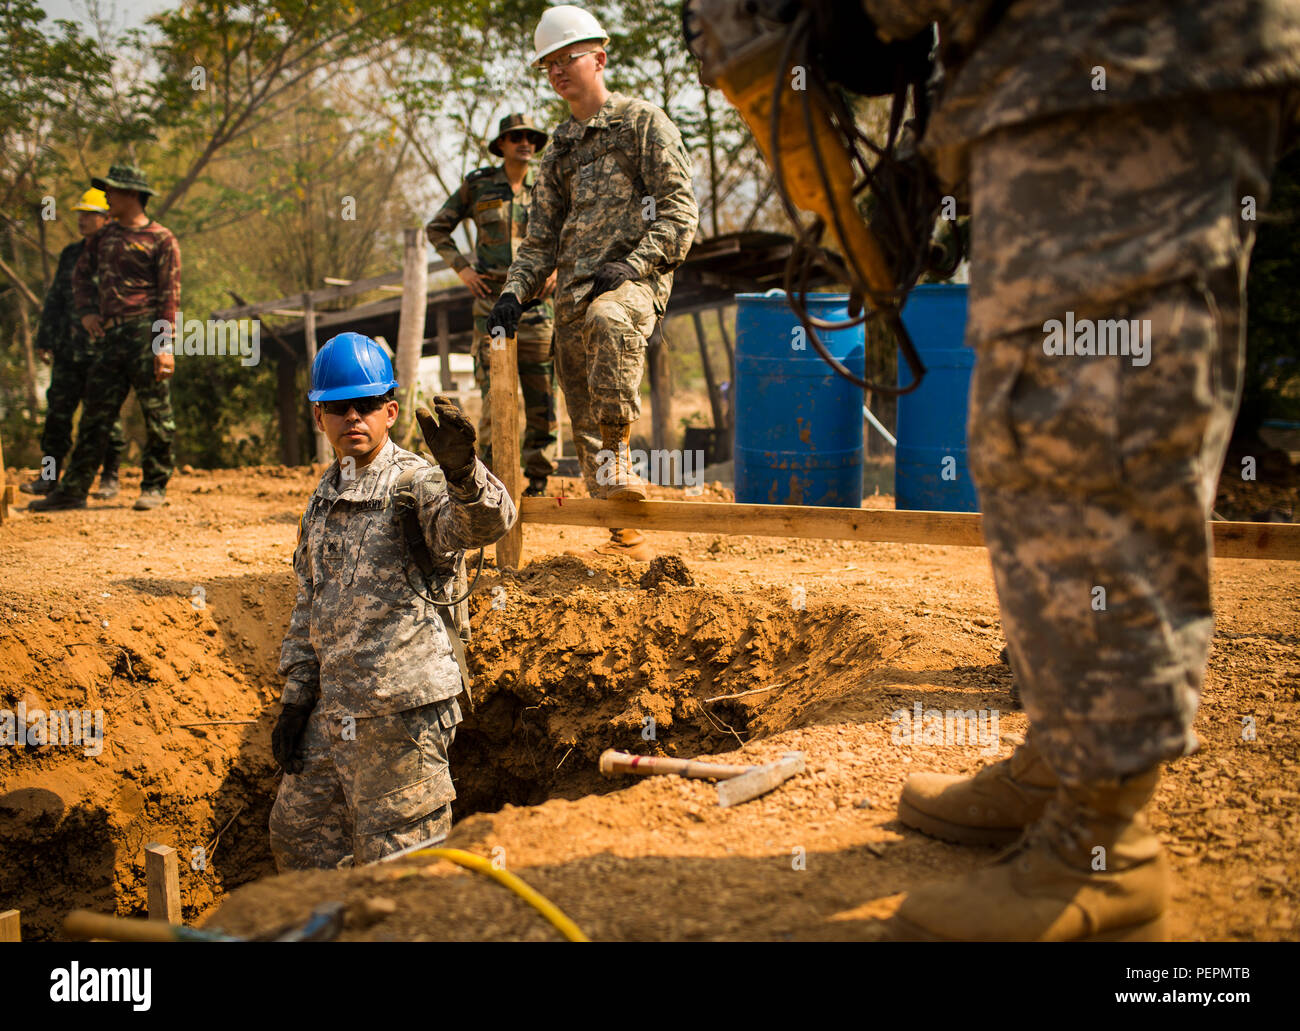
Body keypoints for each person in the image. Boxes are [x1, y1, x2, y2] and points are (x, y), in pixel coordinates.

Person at [819, 1, 1300, 940]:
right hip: (1059, 64)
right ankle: (1067, 761)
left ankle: (1102, 849)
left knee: (1092, 425)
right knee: (1035, 430)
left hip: (1131, 48)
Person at [268, 332, 516, 870]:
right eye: (338, 407)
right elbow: (311, 601)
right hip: (333, 713)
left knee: (403, 867)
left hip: (402, 715)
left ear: (390, 411)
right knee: (299, 840)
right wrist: (296, 697)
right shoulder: (325, 494)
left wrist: (463, 474)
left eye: (366, 406)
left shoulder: (418, 483)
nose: (352, 417)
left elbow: (487, 524)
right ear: (319, 416)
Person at [490, 4, 699, 562]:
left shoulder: (642, 123)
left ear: (599, 59)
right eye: (549, 65)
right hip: (572, 294)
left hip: (633, 280)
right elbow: (539, 240)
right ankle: (621, 529)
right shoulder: (559, 147)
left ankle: (622, 454)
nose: (558, 71)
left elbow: (680, 210)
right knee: (580, 409)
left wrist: (636, 264)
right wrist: (513, 292)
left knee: (610, 319)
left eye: (568, 58)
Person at [29, 164, 179, 512]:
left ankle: (154, 486)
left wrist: (165, 346)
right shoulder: (103, 239)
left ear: (131, 194)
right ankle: (73, 490)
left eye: (111, 190)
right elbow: (79, 276)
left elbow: (169, 296)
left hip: (146, 333)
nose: (106, 196)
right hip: (109, 337)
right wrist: (86, 313)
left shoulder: (161, 238)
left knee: (157, 415)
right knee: (96, 416)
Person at [426, 113, 560, 498]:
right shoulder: (479, 185)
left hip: (536, 307)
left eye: (532, 138)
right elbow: (437, 228)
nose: (525, 144)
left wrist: (559, 267)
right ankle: (488, 479)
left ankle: (537, 481)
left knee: (542, 396)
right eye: (516, 137)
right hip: (491, 306)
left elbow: (571, 231)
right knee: (494, 396)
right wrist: (464, 269)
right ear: (501, 144)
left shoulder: (548, 183)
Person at [21, 188, 126, 499]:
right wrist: (45, 338)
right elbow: (55, 299)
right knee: (57, 415)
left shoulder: (120, 254)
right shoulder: (70, 254)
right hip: (68, 351)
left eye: (89, 213)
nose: (81, 219)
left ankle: (110, 478)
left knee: (107, 417)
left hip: (104, 352)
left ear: (107, 218)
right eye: (79, 213)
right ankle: (49, 478)